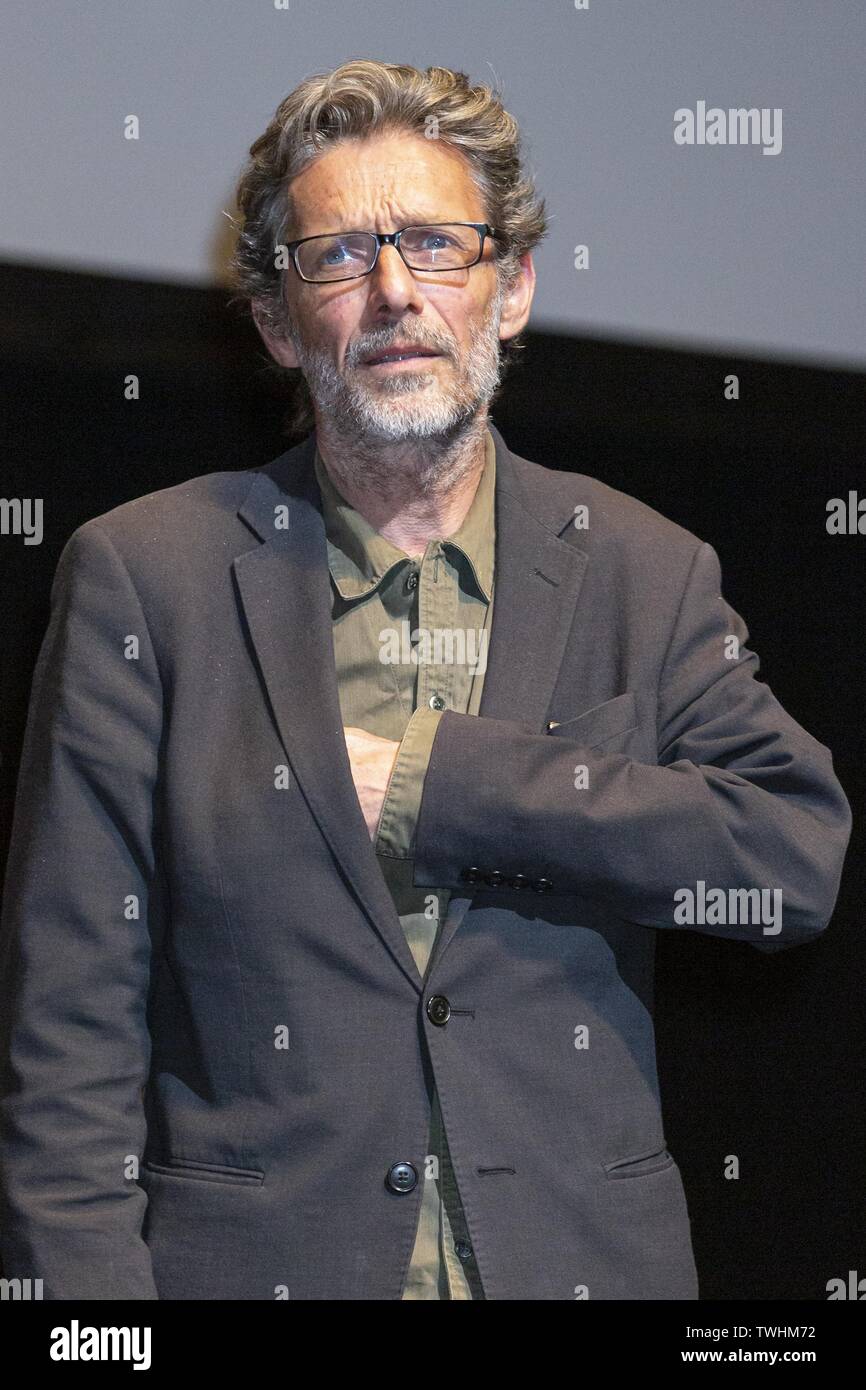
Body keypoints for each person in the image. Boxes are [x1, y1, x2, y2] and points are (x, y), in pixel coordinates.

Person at [0, 59, 851, 1300]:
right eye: (341, 256)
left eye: (437, 247)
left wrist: (441, 787)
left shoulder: (641, 568)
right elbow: (66, 1039)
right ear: (279, 325)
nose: (396, 292)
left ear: (508, 290)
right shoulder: (148, 580)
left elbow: (787, 864)